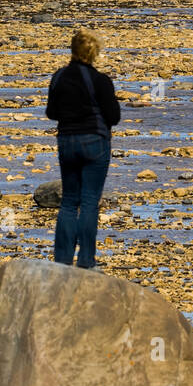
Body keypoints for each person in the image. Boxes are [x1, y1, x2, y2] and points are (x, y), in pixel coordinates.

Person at [46, 28, 120, 269]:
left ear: (73, 49)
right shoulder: (100, 80)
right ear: (94, 52)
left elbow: (51, 113)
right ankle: (86, 261)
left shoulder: (58, 77)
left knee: (68, 201)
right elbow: (113, 116)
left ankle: (62, 261)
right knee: (89, 202)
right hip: (94, 142)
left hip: (67, 141)